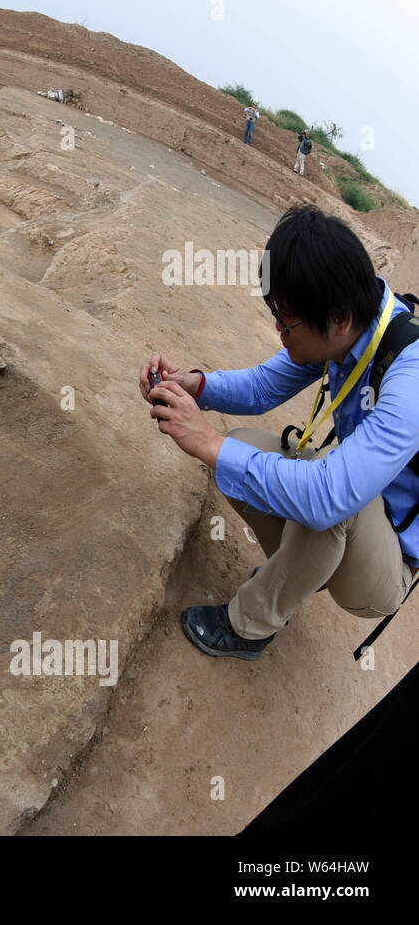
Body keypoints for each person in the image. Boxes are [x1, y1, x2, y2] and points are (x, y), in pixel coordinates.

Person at [143, 206, 419, 661]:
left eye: (286, 320)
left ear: (338, 319)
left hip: (387, 568)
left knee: (325, 506)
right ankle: (302, 571)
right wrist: (196, 385)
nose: (278, 329)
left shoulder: (410, 375)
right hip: (355, 505)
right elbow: (263, 386)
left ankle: (248, 627)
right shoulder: (350, 324)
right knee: (246, 449)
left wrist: (208, 442)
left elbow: (332, 494)